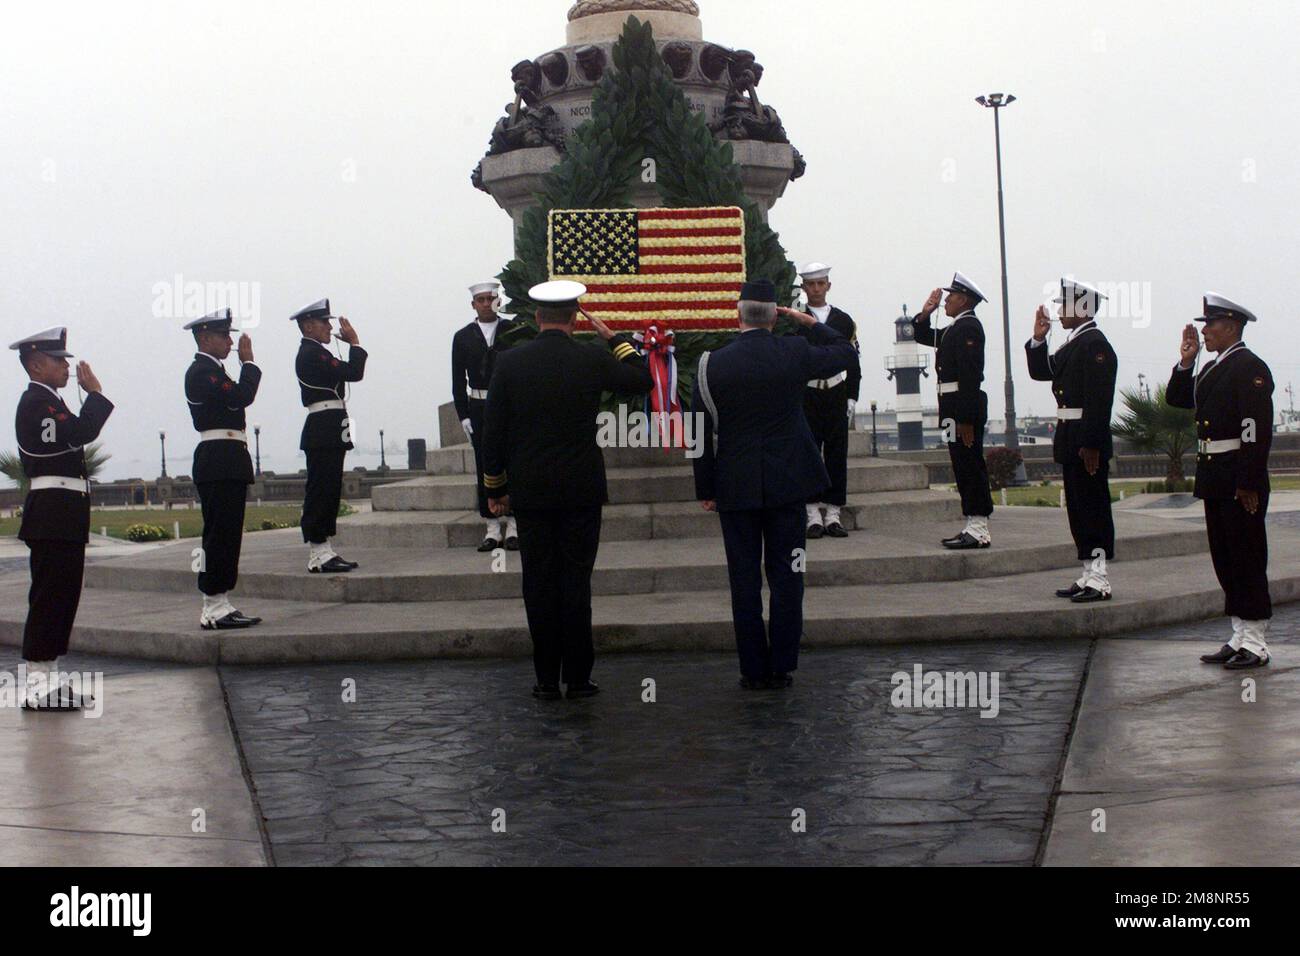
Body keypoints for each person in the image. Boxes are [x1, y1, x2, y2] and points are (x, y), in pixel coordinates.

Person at [479, 280, 653, 700]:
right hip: (580, 489)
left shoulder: (510, 363)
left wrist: (496, 486)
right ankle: (578, 678)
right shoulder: (591, 358)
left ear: (537, 317)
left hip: (532, 491)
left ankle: (544, 678)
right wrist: (617, 340)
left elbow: (493, 431)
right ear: (576, 318)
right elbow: (641, 380)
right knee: (576, 583)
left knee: (538, 583)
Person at [692, 279, 857, 689]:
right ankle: (782, 663)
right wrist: (809, 323)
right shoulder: (795, 350)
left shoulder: (711, 363)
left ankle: (753, 668)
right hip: (789, 485)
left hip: (735, 486)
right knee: (788, 576)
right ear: (775, 316)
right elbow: (846, 353)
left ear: (738, 314)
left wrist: (705, 488)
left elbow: (698, 432)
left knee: (743, 580)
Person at [1168, 294, 1274, 669]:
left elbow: (1254, 431)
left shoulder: (1250, 368)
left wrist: (1248, 482)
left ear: (1231, 326)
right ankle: (1239, 634)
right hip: (1215, 476)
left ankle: (1256, 641)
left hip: (1238, 478)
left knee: (1246, 558)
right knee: (1225, 560)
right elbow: (1178, 399)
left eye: (1210, 324)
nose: (1204, 330)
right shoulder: (1213, 368)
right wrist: (1187, 360)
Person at [9, 327, 113, 710]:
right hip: (51, 510)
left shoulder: (51, 401)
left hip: (63, 510)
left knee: (64, 595)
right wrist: (96, 396)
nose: (67, 367)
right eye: (58, 361)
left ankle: (48, 674)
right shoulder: (37, 403)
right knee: (50, 596)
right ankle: (37, 683)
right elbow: (77, 433)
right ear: (36, 364)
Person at [1027, 279, 1118, 602]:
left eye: (1064, 305)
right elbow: (1043, 372)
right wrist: (1039, 340)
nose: (1058, 311)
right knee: (1078, 511)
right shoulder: (1074, 343)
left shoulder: (1094, 345)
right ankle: (1088, 571)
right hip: (1071, 437)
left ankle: (1100, 577)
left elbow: (1099, 400)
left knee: (1092, 509)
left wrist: (1092, 443)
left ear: (1082, 308)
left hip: (1084, 440)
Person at [183, 309, 263, 630]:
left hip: (228, 457)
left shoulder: (216, 370)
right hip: (217, 458)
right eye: (223, 336)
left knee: (229, 534)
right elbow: (242, 397)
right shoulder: (202, 372)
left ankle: (221, 601)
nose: (230, 342)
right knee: (218, 535)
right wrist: (250, 364)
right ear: (205, 338)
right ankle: (212, 605)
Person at [913, 272, 994, 549]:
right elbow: (923, 335)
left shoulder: (969, 327)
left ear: (963, 300)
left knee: (970, 464)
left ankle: (980, 527)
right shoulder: (954, 328)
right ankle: (971, 522)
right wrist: (926, 312)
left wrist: (967, 419)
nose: (946, 300)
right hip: (950, 409)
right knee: (961, 464)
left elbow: (971, 377)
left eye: (950, 297)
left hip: (962, 410)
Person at [292, 298, 367, 573]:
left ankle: (325, 549)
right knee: (321, 489)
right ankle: (318, 552)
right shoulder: (312, 353)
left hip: (332, 422)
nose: (329, 327)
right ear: (308, 326)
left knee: (330, 488)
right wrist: (355, 343)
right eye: (324, 322)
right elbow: (353, 372)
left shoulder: (319, 352)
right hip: (322, 424)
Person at [452, 280, 519, 551]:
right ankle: (492, 527)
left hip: (508, 404)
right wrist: (463, 415)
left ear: (498, 301)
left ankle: (514, 525)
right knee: (484, 465)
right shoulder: (463, 336)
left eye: (491, 298)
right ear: (473, 304)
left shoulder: (512, 330)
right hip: (478, 406)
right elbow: (457, 380)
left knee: (512, 462)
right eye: (480, 299)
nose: (486, 303)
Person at [795, 262, 861, 538]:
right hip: (807, 393)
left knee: (836, 453)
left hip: (835, 391)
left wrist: (852, 396)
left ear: (828, 286)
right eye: (811, 284)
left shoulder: (843, 321)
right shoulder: (795, 319)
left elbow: (853, 359)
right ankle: (812, 514)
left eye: (821, 283)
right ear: (804, 287)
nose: (816, 289)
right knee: (808, 453)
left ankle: (833, 513)